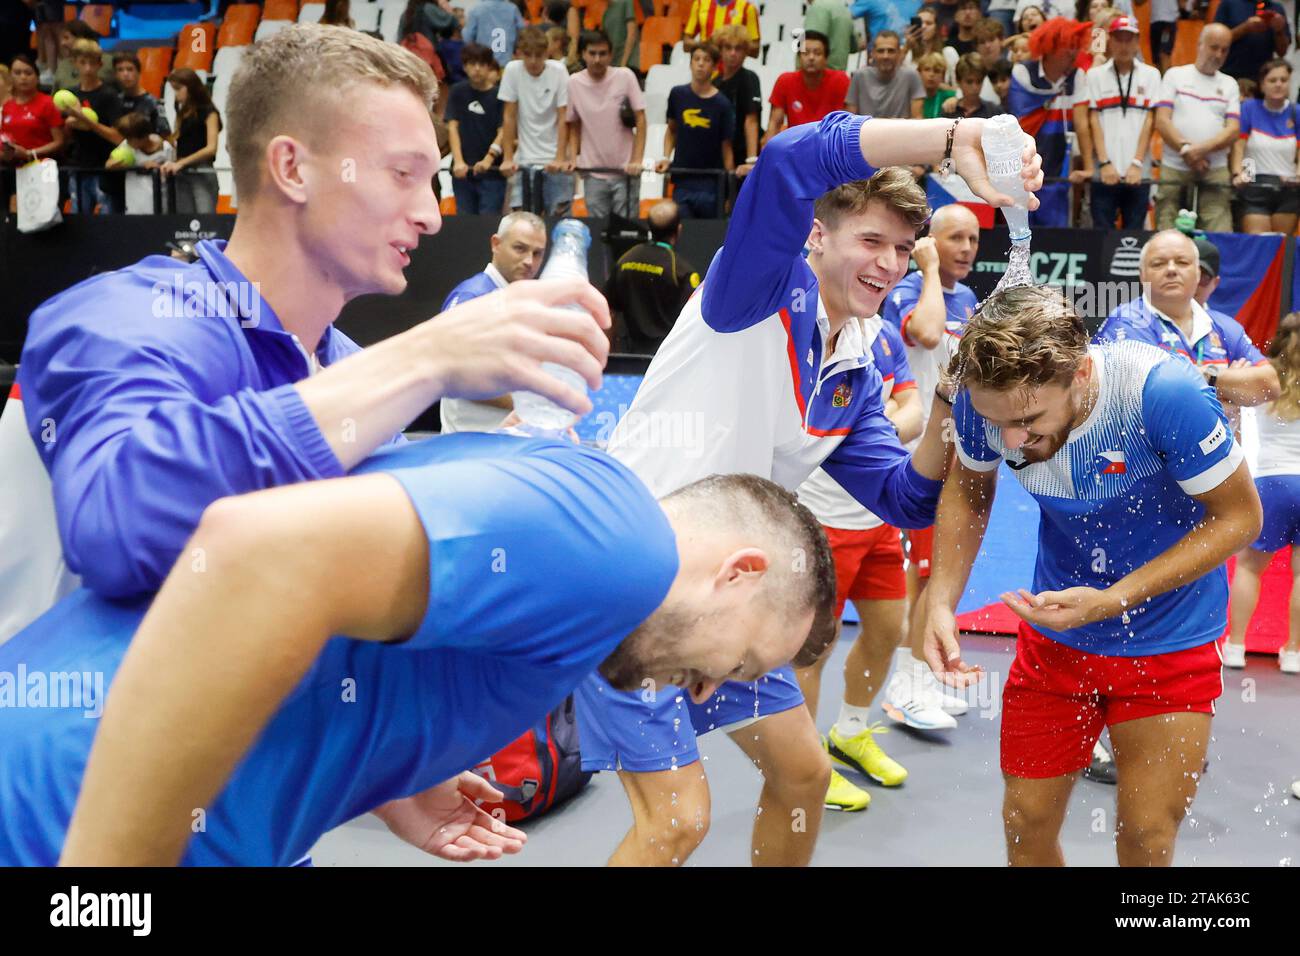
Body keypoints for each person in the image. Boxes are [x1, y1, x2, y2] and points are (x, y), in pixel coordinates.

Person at [10, 24, 611, 629]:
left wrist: (500, 463)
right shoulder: (119, 315)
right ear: (293, 169)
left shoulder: (348, 365)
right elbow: (115, 526)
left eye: (433, 182)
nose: (431, 215)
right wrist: (422, 358)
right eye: (404, 174)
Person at [2, 433, 839, 866]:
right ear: (739, 573)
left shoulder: (587, 548)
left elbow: (330, 617)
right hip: (78, 813)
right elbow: (253, 552)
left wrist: (388, 771)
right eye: (738, 667)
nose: (704, 696)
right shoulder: (622, 551)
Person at [576, 111, 1044, 868]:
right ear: (817, 236)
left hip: (727, 605)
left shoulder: (862, 357)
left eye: (901, 247)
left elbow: (904, 499)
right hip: (632, 583)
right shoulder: (753, 288)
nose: (889, 264)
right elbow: (789, 159)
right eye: (870, 240)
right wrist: (949, 140)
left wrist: (952, 410)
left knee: (804, 775)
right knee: (677, 822)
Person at [927, 285, 1263, 866]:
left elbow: (1240, 518)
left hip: (1170, 644)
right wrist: (939, 600)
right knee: (1025, 825)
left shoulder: (1163, 394)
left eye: (1030, 420)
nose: (1011, 441)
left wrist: (1116, 598)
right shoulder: (986, 400)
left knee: (1145, 838)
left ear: (1080, 373)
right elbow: (969, 490)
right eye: (996, 421)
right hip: (1056, 643)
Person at [795, 314, 922, 812]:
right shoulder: (808, 334)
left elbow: (912, 408)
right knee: (812, 649)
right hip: (820, 521)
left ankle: (848, 731)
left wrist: (875, 422)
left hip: (878, 518)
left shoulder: (886, 336)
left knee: (890, 628)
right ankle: (807, 768)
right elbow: (813, 427)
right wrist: (870, 422)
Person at [879, 203, 980, 730]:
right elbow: (927, 333)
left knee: (939, 575)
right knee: (918, 579)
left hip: (959, 454)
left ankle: (920, 677)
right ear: (926, 243)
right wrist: (930, 273)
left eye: (974, 240)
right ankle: (904, 686)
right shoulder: (907, 288)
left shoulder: (969, 297)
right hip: (913, 458)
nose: (966, 248)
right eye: (955, 238)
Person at [1096, 229, 1279, 443]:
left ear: (1198, 274)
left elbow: (1269, 386)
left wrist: (1210, 376)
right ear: (1142, 274)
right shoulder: (1126, 321)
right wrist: (1227, 397)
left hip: (1222, 466)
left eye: (1182, 262)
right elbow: (1152, 401)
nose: (1172, 270)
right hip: (1148, 465)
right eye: (1159, 263)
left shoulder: (1224, 326)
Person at [1226, 311, 1300, 674]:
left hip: (1272, 482)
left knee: (1250, 568)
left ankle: (1236, 646)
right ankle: (1294, 653)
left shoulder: (1265, 378)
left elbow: (1232, 413)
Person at [439, 210, 548, 431]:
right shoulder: (472, 297)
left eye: (537, 253)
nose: (529, 261)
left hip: (503, 445)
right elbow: (455, 374)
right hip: (469, 449)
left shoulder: (525, 302)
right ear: (496, 244)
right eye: (520, 248)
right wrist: (533, 402)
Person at [1153, 24, 1239, 233]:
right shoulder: (1175, 75)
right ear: (1200, 45)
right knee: (1166, 225)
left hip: (1215, 168)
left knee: (1219, 230)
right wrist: (1187, 152)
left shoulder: (1230, 84)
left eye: (1224, 50)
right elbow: (1162, 121)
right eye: (1214, 47)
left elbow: (1233, 130)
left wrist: (1199, 151)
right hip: (1175, 164)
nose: (1218, 54)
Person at [1008, 17, 1093, 228]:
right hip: (1024, 164)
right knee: (1019, 232)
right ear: (1050, 47)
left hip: (1059, 167)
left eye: (1076, 47)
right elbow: (1021, 123)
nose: (1074, 54)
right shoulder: (1023, 72)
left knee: (1055, 233)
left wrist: (1089, 168)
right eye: (1068, 48)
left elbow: (1082, 123)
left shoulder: (1077, 76)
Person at [1085, 14, 1158, 230]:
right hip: (1104, 171)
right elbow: (1093, 119)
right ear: (1110, 41)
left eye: (1129, 39)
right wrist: (1104, 163)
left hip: (1138, 171)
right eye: (1118, 39)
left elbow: (1150, 120)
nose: (1124, 45)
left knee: (1134, 236)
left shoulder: (1151, 75)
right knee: (1101, 235)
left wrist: (1137, 163)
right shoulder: (1095, 75)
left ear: (1137, 42)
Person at [565, 29, 645, 221]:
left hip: (625, 171)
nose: (597, 59)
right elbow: (573, 125)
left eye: (602, 54)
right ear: (583, 54)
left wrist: (636, 160)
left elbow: (641, 119)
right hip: (593, 173)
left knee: (627, 232)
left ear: (610, 55)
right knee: (598, 230)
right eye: (592, 53)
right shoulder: (574, 82)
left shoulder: (625, 76)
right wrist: (574, 157)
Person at [604, 199, 700, 354]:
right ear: (678, 229)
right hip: (665, 357)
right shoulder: (682, 271)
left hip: (628, 356)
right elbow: (691, 319)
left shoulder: (626, 260)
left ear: (649, 227)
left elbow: (609, 310)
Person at [500, 26, 573, 216]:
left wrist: (560, 157)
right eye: (528, 55)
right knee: (520, 218)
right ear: (519, 53)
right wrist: (508, 157)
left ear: (547, 52)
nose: (533, 61)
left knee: (558, 216)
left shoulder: (559, 70)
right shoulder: (512, 70)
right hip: (523, 159)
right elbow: (509, 116)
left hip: (554, 160)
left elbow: (564, 116)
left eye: (538, 55)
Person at [658, 43, 734, 218]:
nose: (700, 64)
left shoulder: (723, 104)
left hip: (711, 184)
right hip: (682, 180)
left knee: (707, 237)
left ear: (715, 67)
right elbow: (671, 130)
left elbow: (726, 148)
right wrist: (665, 157)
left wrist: (729, 191)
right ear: (690, 63)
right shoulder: (677, 94)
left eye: (706, 60)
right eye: (696, 59)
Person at [1231, 58, 1300, 236]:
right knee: (1258, 245)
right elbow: (1240, 146)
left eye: (1283, 80)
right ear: (1262, 85)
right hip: (1254, 186)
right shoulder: (1249, 108)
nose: (1278, 85)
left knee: (1281, 249)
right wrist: (1240, 174)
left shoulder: (1296, 111)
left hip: (1287, 189)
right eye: (1272, 80)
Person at [61, 39, 125, 215]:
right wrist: (68, 126)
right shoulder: (70, 96)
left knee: (109, 222)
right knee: (79, 224)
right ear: (75, 63)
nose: (88, 68)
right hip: (79, 167)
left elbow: (118, 137)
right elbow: (64, 139)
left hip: (105, 169)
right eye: (83, 63)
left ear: (100, 64)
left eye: (92, 63)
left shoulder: (109, 95)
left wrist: (86, 121)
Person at [447, 42, 508, 215]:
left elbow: (503, 131)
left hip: (493, 173)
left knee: (488, 223)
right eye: (472, 64)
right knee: (465, 221)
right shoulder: (457, 91)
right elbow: (452, 126)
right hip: (463, 173)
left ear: (489, 67)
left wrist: (489, 159)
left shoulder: (500, 95)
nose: (477, 69)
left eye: (482, 64)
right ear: (465, 66)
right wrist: (458, 161)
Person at [0, 54, 67, 211]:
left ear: (37, 77)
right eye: (17, 73)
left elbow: (59, 141)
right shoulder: (7, 107)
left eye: (28, 73)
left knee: (41, 216)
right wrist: (7, 154)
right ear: (11, 77)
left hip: (42, 170)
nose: (23, 77)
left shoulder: (47, 103)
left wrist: (30, 153)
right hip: (13, 170)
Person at [764, 31, 852, 144]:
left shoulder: (840, 80)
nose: (811, 58)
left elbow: (848, 124)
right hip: (795, 146)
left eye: (817, 53)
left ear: (826, 58)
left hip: (830, 148)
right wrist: (767, 157)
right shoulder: (785, 81)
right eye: (806, 53)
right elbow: (774, 124)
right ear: (799, 57)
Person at [164, 68, 222, 214]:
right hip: (182, 173)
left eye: (178, 89)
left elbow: (211, 148)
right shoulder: (182, 113)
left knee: (205, 223)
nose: (176, 94)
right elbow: (177, 142)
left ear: (191, 87)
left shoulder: (209, 112)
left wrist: (182, 162)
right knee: (184, 224)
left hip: (202, 171)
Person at [712, 23, 762, 180]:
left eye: (738, 48)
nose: (732, 53)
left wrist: (751, 160)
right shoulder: (714, 83)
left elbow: (751, 120)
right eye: (728, 47)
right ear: (720, 50)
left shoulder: (749, 78)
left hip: (744, 155)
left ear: (746, 52)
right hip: (720, 154)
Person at [846, 30, 926, 120]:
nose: (885, 56)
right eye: (881, 51)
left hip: (901, 132)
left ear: (899, 53)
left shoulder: (911, 76)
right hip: (867, 132)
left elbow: (917, 118)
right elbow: (850, 120)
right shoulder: (859, 76)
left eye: (891, 51)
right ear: (873, 53)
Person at [109, 111, 177, 214]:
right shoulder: (126, 146)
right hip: (134, 206)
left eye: (131, 139)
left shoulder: (166, 148)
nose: (129, 142)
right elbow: (109, 164)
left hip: (160, 203)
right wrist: (120, 164)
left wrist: (157, 167)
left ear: (144, 136)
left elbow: (173, 171)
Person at [1214, 0, 1289, 83]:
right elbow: (1217, 41)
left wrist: (1279, 31)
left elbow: (1282, 52)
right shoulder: (1229, 3)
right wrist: (1245, 28)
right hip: (1230, 74)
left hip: (1263, 79)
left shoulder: (1277, 8)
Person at [112, 51, 170, 138]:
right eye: (120, 70)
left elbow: (165, 136)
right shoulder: (114, 101)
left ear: (138, 72)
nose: (125, 74)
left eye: (130, 69)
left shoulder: (153, 103)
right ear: (115, 75)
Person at [684, 0, 760, 59]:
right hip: (707, 72)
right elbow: (686, 44)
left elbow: (755, 49)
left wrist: (729, 47)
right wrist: (707, 45)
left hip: (732, 73)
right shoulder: (699, 4)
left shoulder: (747, 8)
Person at [465, 0, 527, 66]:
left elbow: (468, 37)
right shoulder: (513, 9)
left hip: (483, 64)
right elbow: (522, 33)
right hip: (506, 63)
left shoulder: (476, 9)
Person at [805, 0, 857, 72]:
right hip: (839, 75)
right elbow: (854, 47)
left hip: (818, 75)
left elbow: (808, 43)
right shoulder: (845, 9)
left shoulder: (818, 7)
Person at [947, 53, 1006, 118]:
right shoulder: (949, 110)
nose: (975, 87)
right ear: (958, 81)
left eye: (979, 81)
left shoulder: (994, 112)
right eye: (969, 82)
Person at [915, 50, 955, 118]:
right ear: (919, 73)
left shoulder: (950, 97)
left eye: (937, 71)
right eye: (927, 69)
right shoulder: (911, 97)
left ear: (943, 76)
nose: (931, 74)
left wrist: (956, 100)